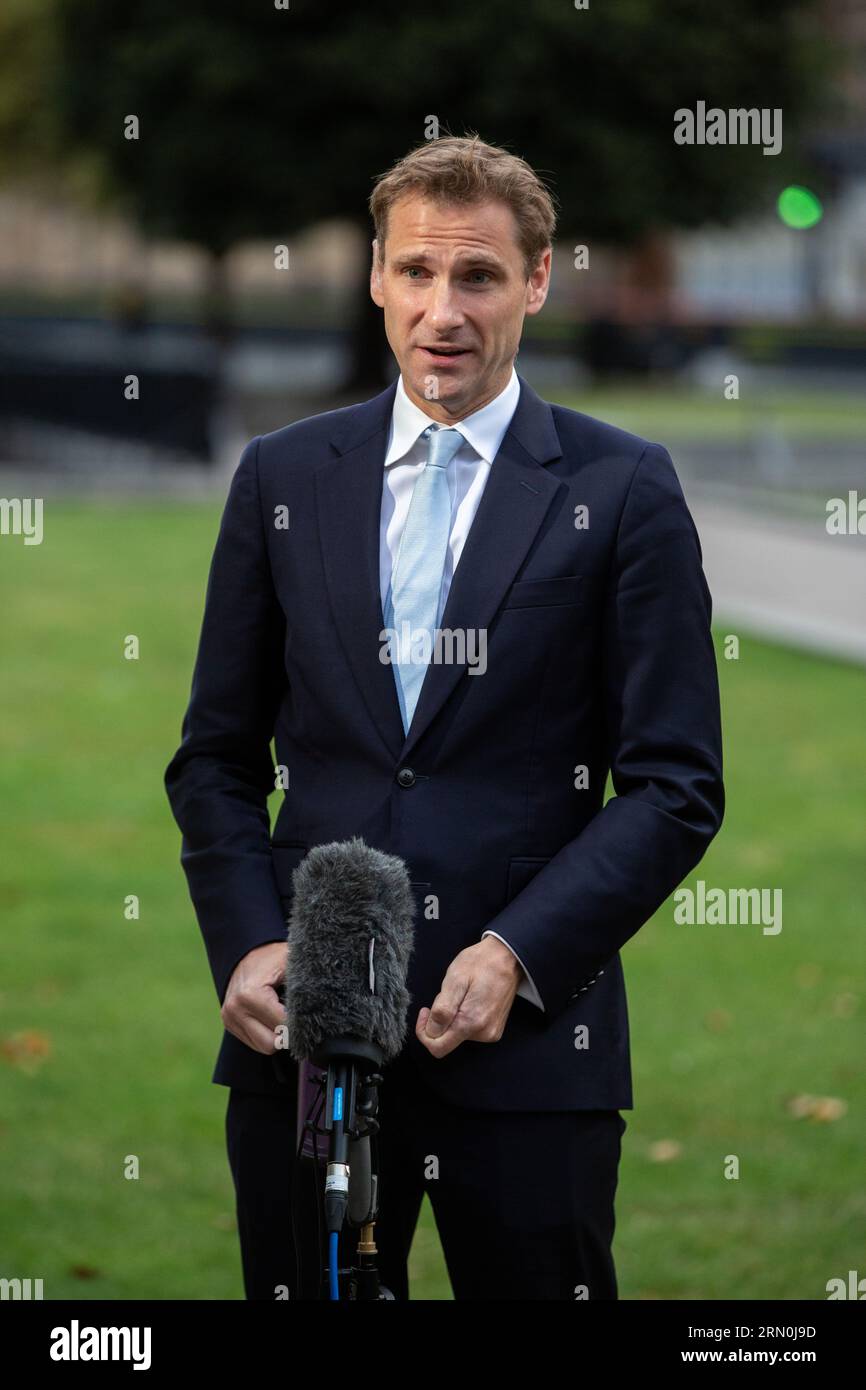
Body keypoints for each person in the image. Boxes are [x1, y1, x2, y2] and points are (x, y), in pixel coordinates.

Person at [164, 134, 724, 1301]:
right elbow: (215, 758)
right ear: (375, 275)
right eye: (415, 273)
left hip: (528, 1057)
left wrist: (518, 953)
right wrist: (251, 944)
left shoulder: (619, 490)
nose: (442, 310)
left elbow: (674, 782)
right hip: (303, 1047)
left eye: (476, 276)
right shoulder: (281, 476)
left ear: (535, 280)